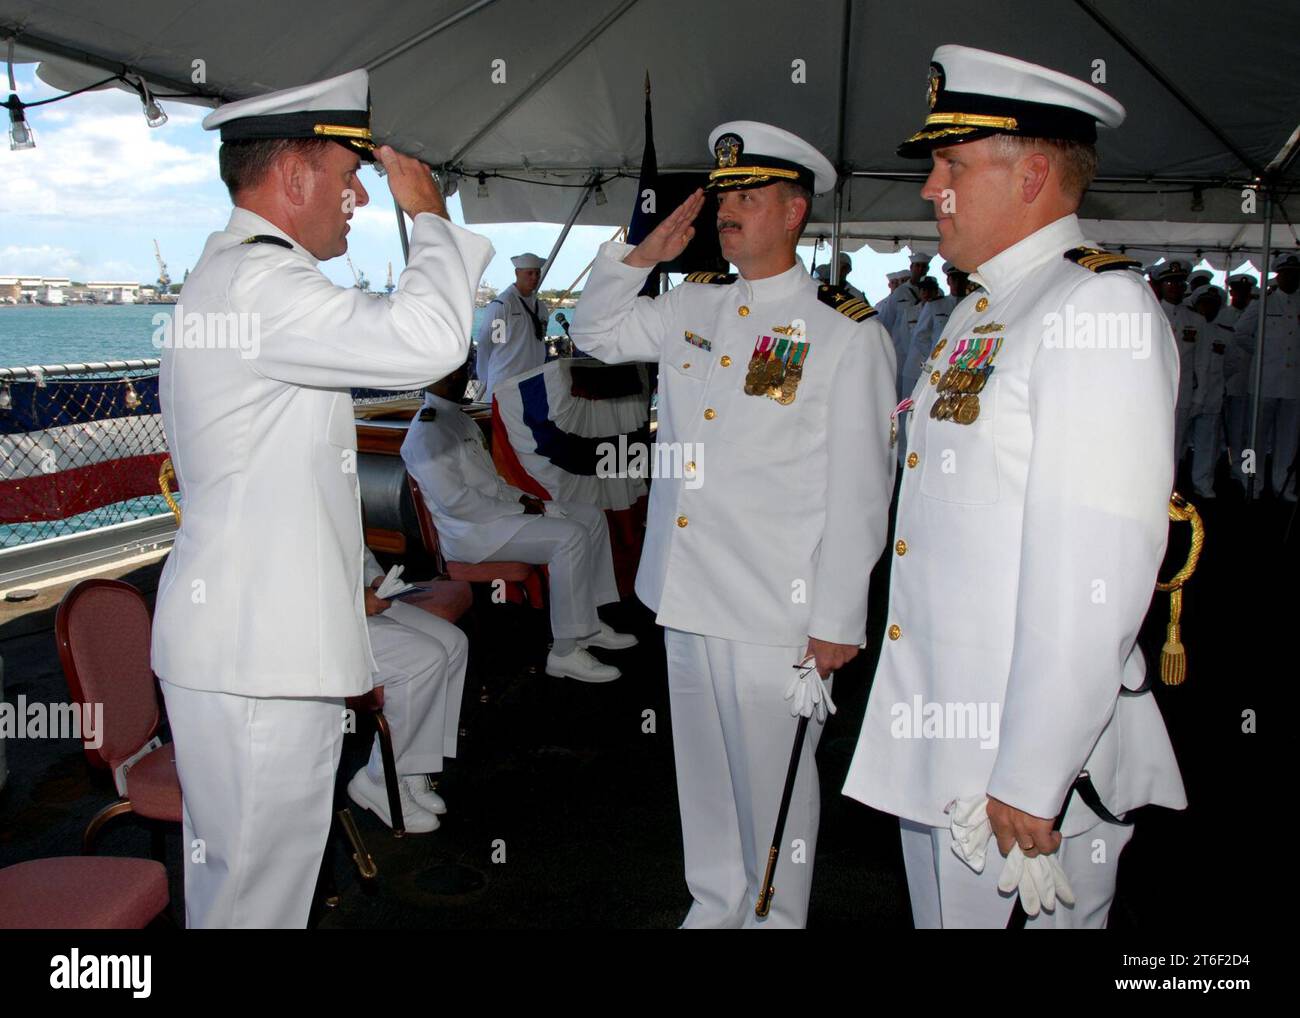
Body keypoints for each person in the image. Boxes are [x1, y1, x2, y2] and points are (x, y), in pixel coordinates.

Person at [843, 44, 1186, 929]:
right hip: (948, 734)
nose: (929, 188)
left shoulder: (1094, 308)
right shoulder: (985, 306)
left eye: (951, 164)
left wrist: (1034, 775)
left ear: (1033, 174)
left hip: (1018, 759)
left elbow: (1094, 569)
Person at [150, 69, 493, 928]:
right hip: (257, 657)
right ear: (294, 177)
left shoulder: (241, 279)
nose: (358, 198)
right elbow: (426, 342)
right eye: (349, 178)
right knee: (259, 901)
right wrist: (429, 216)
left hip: (249, 645)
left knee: (244, 893)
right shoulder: (261, 286)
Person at [572, 120, 896, 928]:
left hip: (773, 603)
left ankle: (775, 916)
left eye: (750, 195)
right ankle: (716, 902)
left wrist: (836, 621)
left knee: (774, 783)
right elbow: (595, 332)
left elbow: (861, 489)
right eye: (725, 195)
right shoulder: (693, 302)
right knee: (706, 774)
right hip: (684, 590)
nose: (729, 209)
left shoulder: (844, 332)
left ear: (794, 211)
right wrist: (636, 259)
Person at [402, 360, 638, 683]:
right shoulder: (427, 432)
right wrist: (520, 510)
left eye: (461, 370)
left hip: (496, 518)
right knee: (568, 538)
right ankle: (565, 652)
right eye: (451, 372)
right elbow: (458, 504)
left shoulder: (460, 421)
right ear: (431, 377)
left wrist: (523, 500)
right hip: (472, 535)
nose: (460, 377)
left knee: (591, 516)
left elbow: (493, 484)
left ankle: (587, 625)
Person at [347, 545, 469, 833]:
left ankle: (412, 764)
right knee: (424, 659)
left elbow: (355, 546)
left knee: (453, 643)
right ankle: (379, 779)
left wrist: (375, 579)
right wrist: (353, 601)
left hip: (353, 602)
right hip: (317, 622)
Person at [1234, 251, 1300, 500]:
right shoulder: (1263, 303)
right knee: (1255, 439)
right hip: (1264, 381)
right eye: (1286, 274)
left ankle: (1284, 484)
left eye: (1295, 274)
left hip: (1293, 383)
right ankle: (1252, 480)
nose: (1291, 279)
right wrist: (1263, 355)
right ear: (1277, 275)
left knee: (1288, 439)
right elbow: (1241, 334)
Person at [475, 253, 550, 403]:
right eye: (529, 273)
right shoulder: (503, 305)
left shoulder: (540, 307)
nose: (534, 277)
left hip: (533, 383)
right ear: (517, 273)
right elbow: (487, 344)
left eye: (537, 273)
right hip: (506, 385)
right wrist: (486, 379)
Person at [1153, 260, 1206, 467]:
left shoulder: (1196, 320)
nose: (1174, 287)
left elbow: (1202, 361)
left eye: (1179, 283)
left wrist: (1199, 396)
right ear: (1161, 286)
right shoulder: (1150, 314)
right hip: (1155, 392)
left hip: (1183, 393)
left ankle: (1172, 492)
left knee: (1176, 445)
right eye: (1169, 283)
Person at [1186, 284, 1228, 498]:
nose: (1208, 309)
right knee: (1177, 443)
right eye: (1204, 304)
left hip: (1211, 395)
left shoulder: (1225, 333)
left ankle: (1203, 483)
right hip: (1187, 395)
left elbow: (1230, 366)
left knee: (1207, 444)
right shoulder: (1188, 327)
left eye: (1213, 305)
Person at [876, 251, 933, 390]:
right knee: (900, 390)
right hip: (900, 350)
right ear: (911, 267)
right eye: (917, 266)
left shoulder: (934, 291)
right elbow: (886, 321)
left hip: (925, 351)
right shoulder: (900, 293)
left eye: (923, 266)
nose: (920, 269)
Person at [1222, 272, 1256, 486]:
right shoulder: (1222, 316)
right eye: (1237, 292)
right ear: (1231, 292)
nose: (1241, 296)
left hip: (1250, 380)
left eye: (1245, 292)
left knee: (1247, 433)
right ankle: (1231, 467)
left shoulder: (1256, 315)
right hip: (1226, 381)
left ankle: (1246, 470)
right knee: (1228, 432)